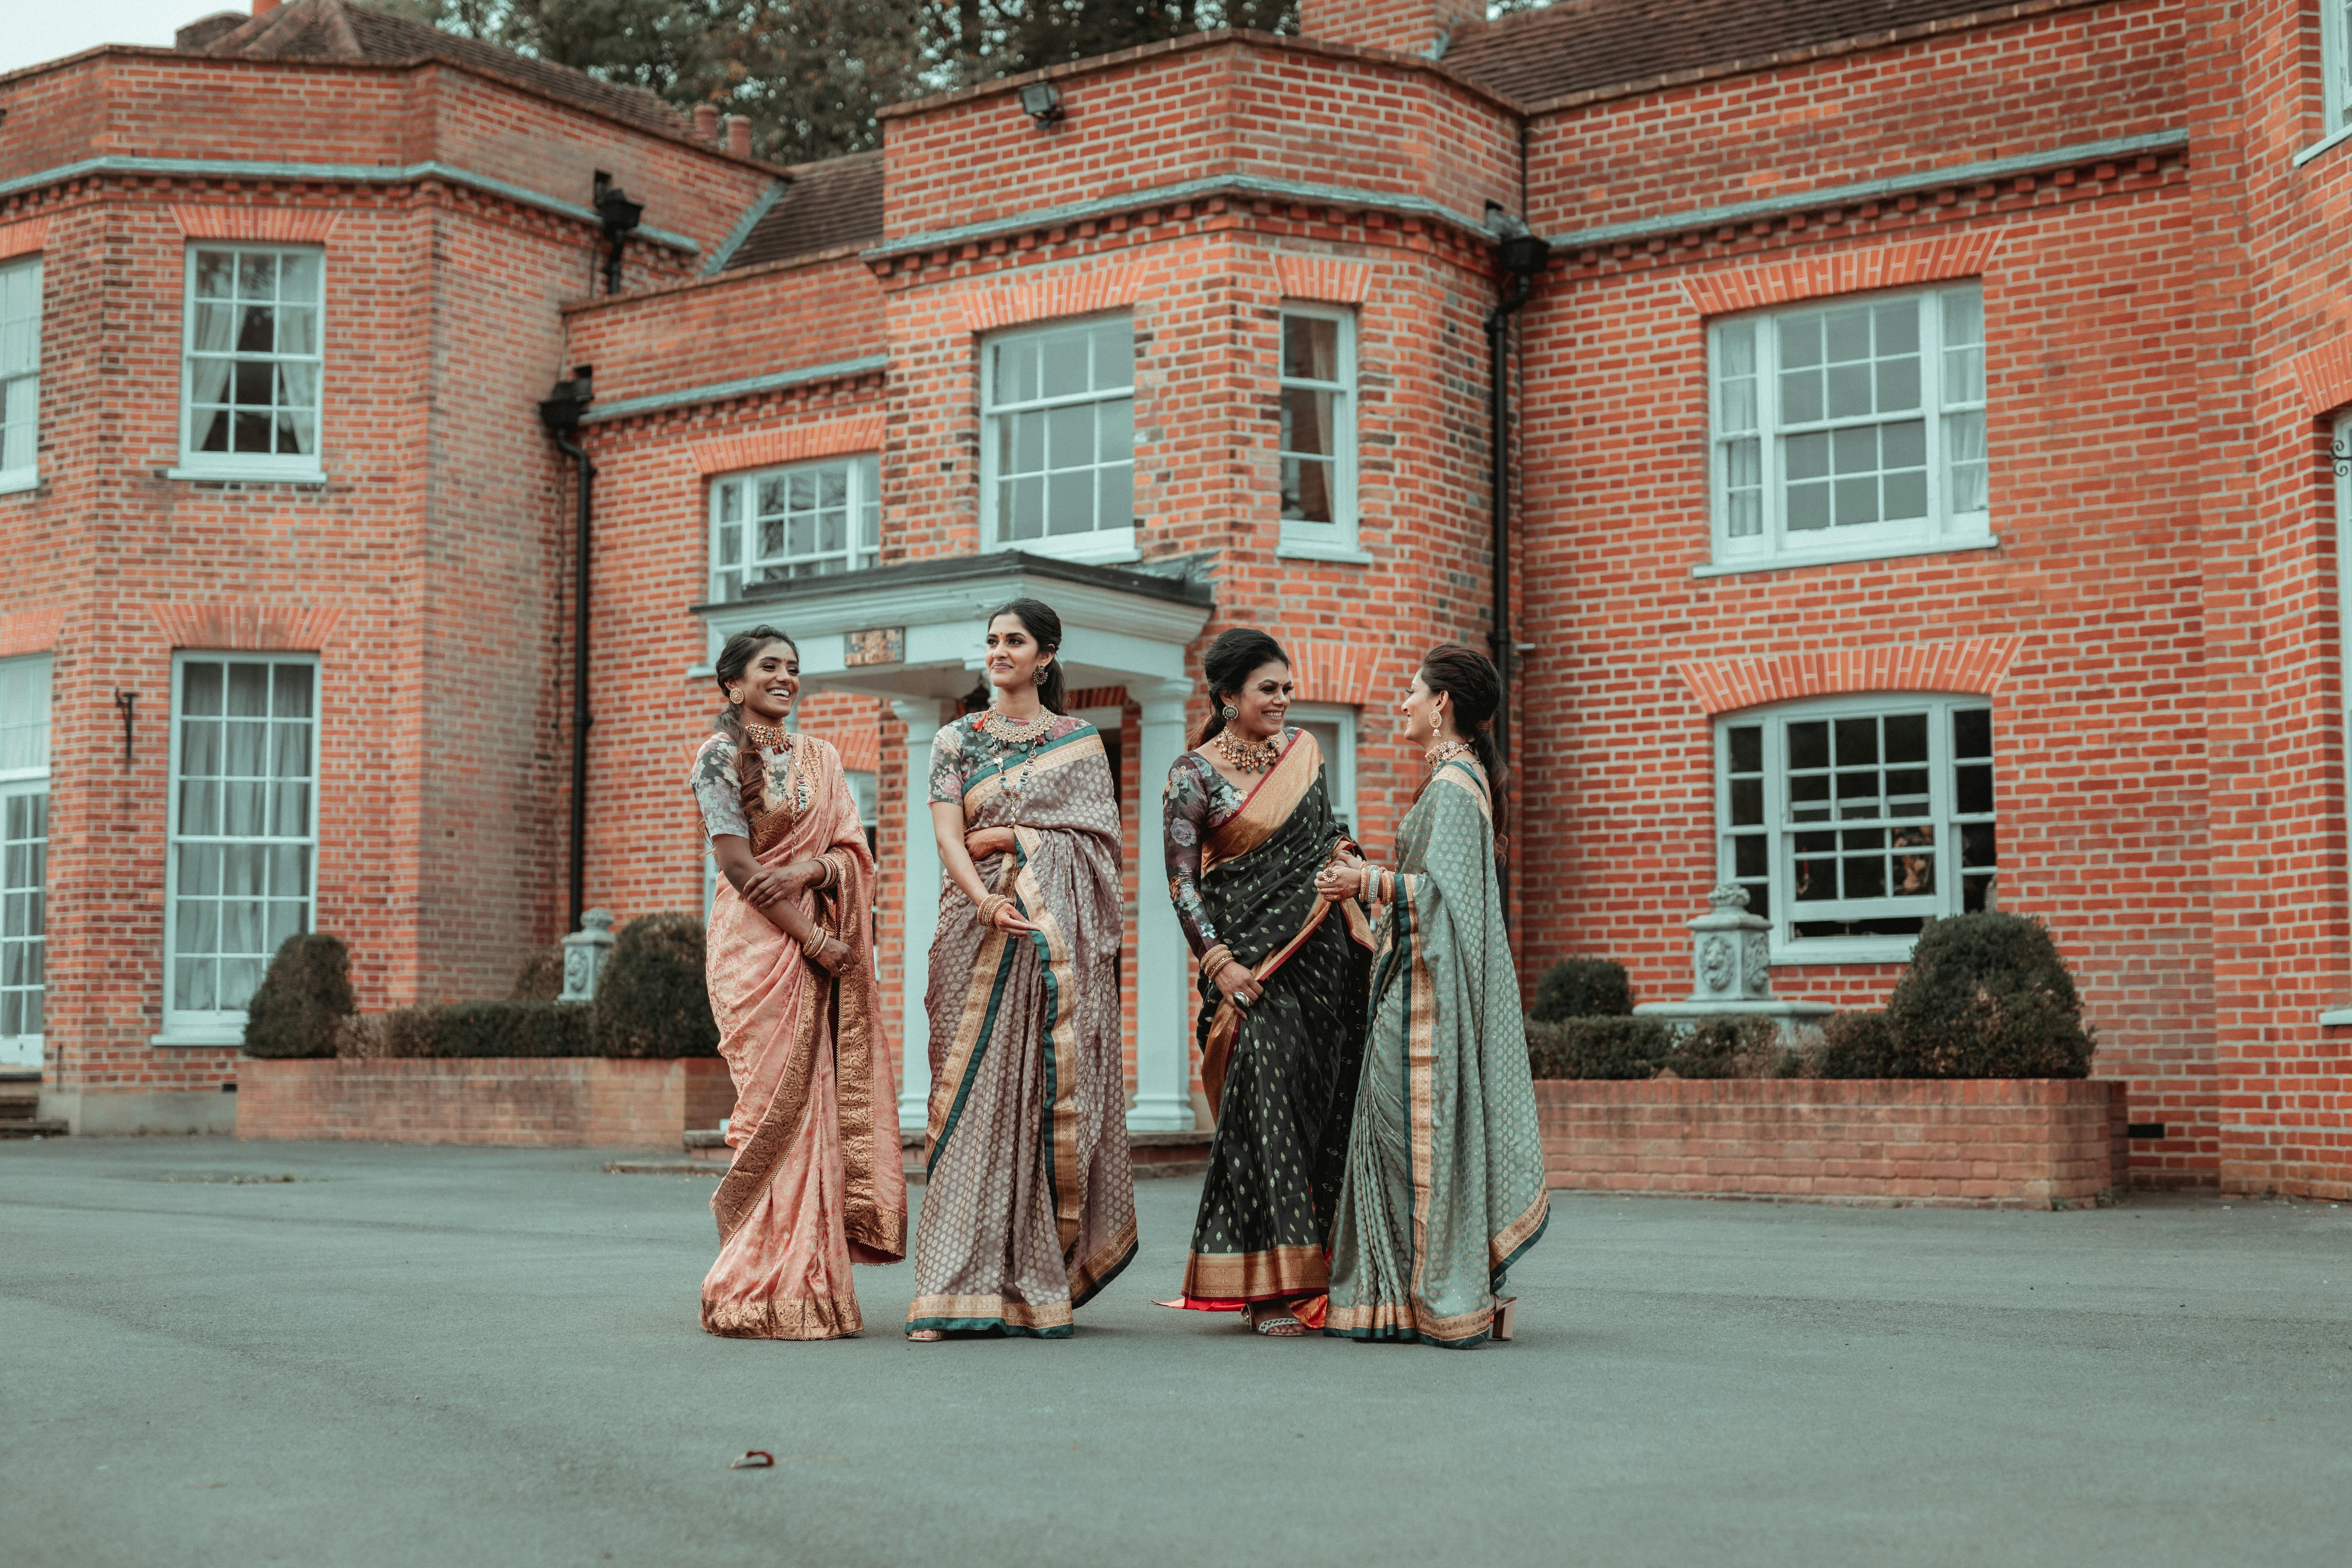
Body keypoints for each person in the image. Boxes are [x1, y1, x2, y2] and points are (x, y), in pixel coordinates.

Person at [906, 598, 1135, 1339]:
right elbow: (948, 837)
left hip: (1051, 939)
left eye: (1015, 641)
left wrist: (1014, 836)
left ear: (1047, 654)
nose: (999, 651)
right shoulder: (956, 739)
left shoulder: (1080, 742)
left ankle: (1034, 1286)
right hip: (979, 931)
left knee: (1038, 1097)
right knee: (970, 1101)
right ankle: (947, 1288)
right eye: (992, 640)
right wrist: (985, 904)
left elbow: (1100, 849)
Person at [1313, 644, 1548, 1347]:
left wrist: (1367, 883)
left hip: (1422, 1007)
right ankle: (1403, 1293)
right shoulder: (1460, 779)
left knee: (1398, 1138)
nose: (1404, 703)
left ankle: (1410, 1296)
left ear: (1442, 703)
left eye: (1414, 691)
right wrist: (1370, 879)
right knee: (1398, 1138)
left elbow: (1443, 902)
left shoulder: (1452, 784)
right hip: (1419, 987)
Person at [689, 625, 908, 1339]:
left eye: (793, 667)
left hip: (818, 939)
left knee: (817, 1109)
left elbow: (850, 850)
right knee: (772, 1108)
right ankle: (749, 1282)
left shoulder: (824, 758)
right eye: (769, 667)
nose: (786, 677)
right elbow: (738, 866)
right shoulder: (719, 756)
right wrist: (815, 938)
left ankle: (810, 1283)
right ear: (734, 684)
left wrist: (816, 874)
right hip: (757, 953)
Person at [1160, 628, 1371, 1336]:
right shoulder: (1193, 773)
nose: (1283, 700)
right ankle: (1272, 1288)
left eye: (1287, 687)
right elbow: (1182, 885)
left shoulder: (1303, 753)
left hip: (1324, 957)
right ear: (1228, 697)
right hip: (1252, 970)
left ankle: (1330, 1270)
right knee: (1266, 1108)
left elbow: (1328, 838)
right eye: (1268, 689)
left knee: (1325, 1105)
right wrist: (1220, 964)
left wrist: (1354, 886)